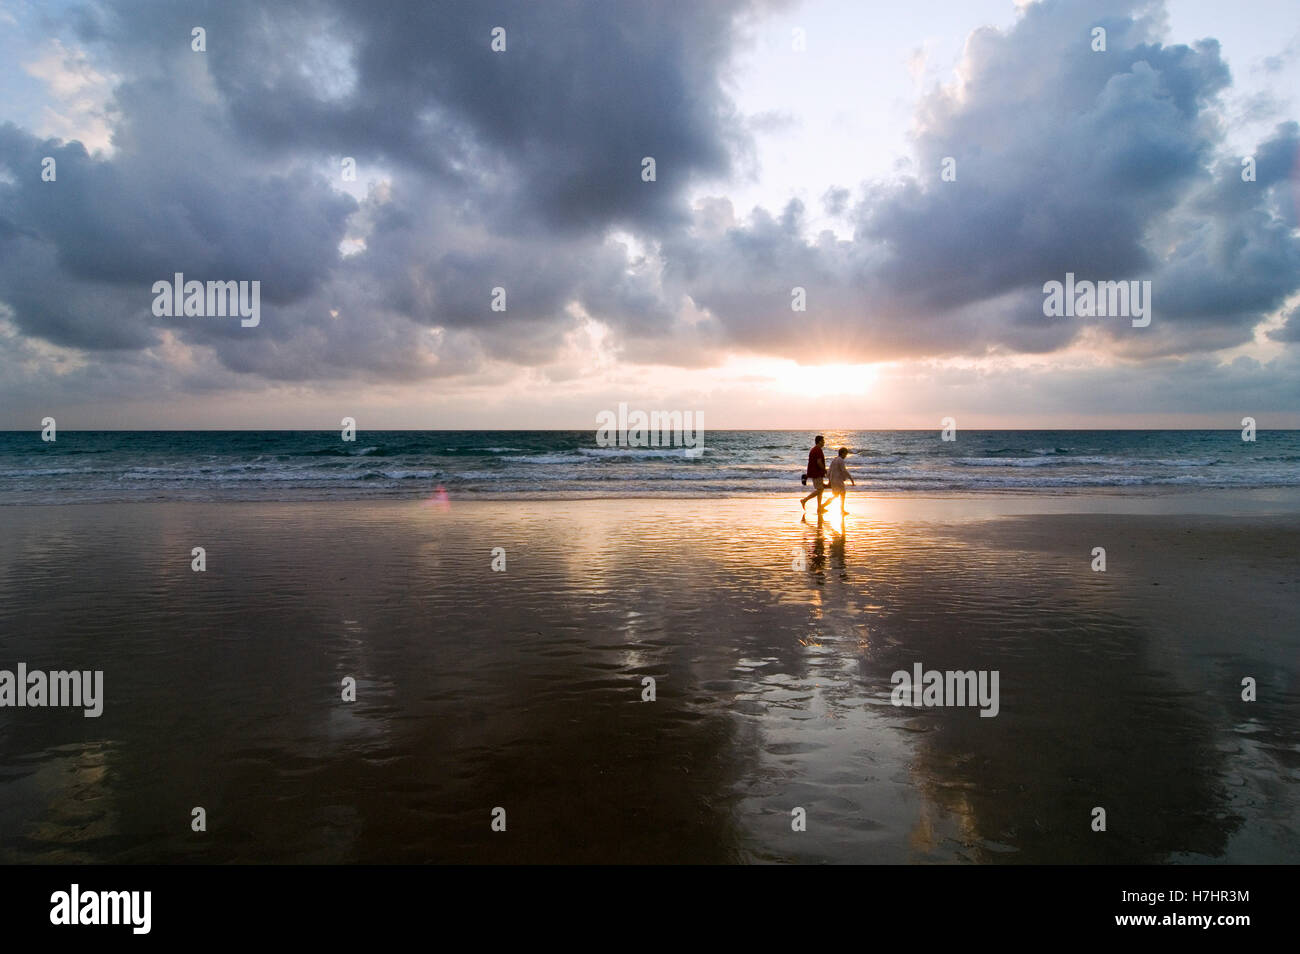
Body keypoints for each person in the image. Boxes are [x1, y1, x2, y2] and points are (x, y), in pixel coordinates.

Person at [800, 436, 829, 513]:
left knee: (820, 490)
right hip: (816, 472)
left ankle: (819, 508)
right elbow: (819, 462)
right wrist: (824, 470)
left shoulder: (815, 449)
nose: (824, 442)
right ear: (819, 441)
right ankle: (804, 500)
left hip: (816, 472)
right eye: (823, 441)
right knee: (820, 489)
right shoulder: (817, 450)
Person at [827, 446, 855, 515]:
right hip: (838, 480)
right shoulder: (841, 460)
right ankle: (842, 510)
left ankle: (823, 505)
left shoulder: (835, 459)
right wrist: (851, 479)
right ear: (842, 453)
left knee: (836, 495)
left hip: (833, 480)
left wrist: (829, 480)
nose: (846, 456)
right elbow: (844, 471)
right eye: (845, 454)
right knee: (842, 494)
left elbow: (829, 471)